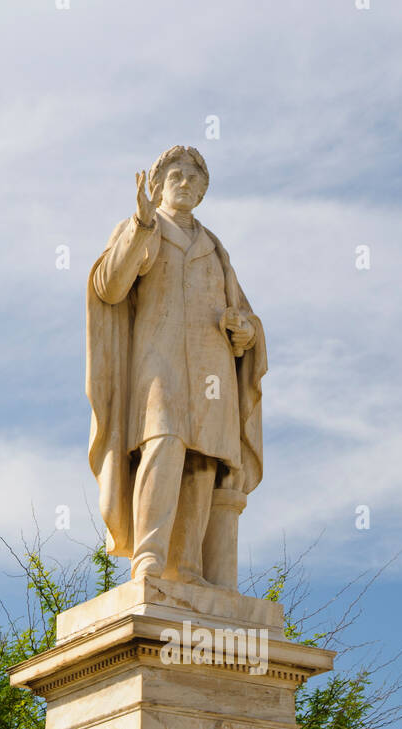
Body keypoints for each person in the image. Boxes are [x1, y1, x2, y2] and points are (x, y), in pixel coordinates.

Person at [86, 145, 267, 587]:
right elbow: (109, 287)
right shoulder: (143, 230)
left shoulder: (215, 249)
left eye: (193, 178)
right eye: (175, 176)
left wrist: (244, 331)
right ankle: (148, 560)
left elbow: (245, 315)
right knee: (163, 444)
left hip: (212, 370)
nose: (184, 183)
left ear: (203, 191)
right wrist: (141, 225)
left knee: (203, 460)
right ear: (157, 186)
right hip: (158, 363)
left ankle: (187, 570)